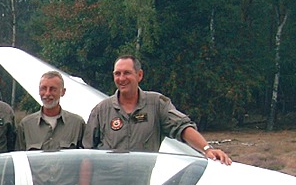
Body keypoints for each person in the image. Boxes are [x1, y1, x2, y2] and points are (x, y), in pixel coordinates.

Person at [83, 55, 231, 163]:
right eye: (117, 74)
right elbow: (86, 155)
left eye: (127, 73)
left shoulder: (157, 104)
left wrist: (207, 149)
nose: (121, 78)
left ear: (139, 75)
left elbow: (182, 128)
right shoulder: (101, 110)